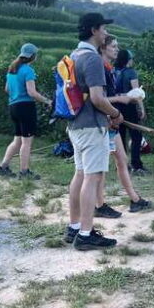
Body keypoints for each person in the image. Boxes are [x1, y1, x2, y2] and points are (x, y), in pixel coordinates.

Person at [64, 13, 124, 251]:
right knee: (93, 176)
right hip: (92, 126)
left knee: (80, 174)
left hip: (76, 125)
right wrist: (115, 115)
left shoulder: (74, 55)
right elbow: (98, 98)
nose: (106, 33)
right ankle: (87, 234)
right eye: (103, 29)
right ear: (93, 30)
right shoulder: (92, 59)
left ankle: (75, 227)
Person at [93, 35, 151, 218]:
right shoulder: (100, 69)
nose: (117, 50)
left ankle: (134, 199)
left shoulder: (109, 70)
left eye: (117, 47)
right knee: (101, 166)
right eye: (113, 46)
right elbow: (98, 99)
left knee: (121, 160)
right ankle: (98, 205)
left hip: (111, 121)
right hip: (104, 121)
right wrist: (120, 99)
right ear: (103, 48)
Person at [0, 43, 52, 180]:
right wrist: (47, 101)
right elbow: (32, 92)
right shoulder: (28, 70)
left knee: (17, 140)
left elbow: (7, 90)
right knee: (27, 142)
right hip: (26, 107)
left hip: (13, 107)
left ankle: (3, 167)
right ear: (33, 56)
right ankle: (24, 172)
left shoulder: (12, 70)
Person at [114, 48, 149, 175]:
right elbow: (136, 92)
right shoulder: (131, 73)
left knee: (120, 136)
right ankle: (136, 164)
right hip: (129, 106)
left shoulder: (114, 71)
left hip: (116, 107)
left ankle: (122, 165)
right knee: (136, 136)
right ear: (128, 60)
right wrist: (141, 108)